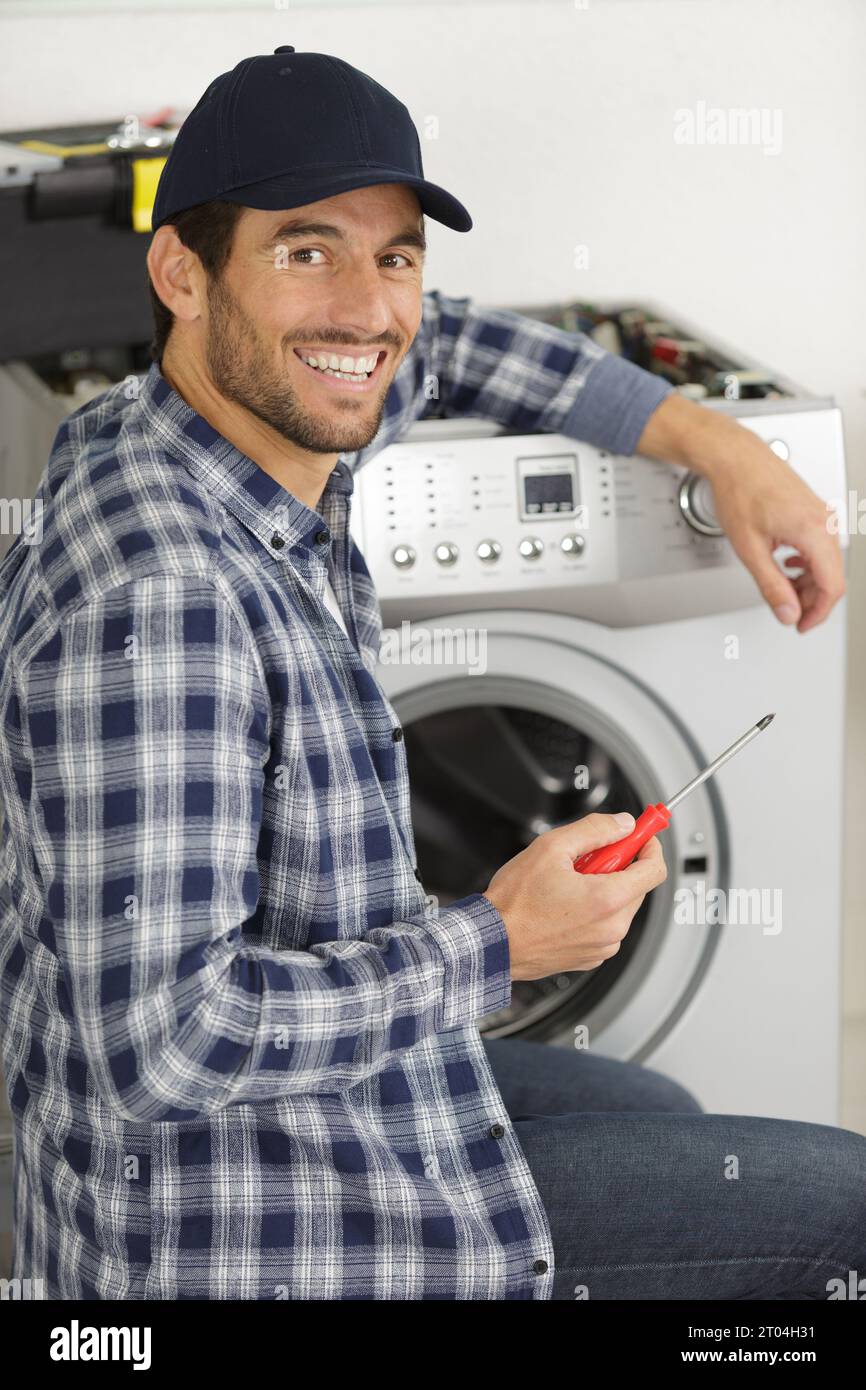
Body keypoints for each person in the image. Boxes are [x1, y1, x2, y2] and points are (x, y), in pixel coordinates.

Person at [0, 47, 859, 1302]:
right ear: (181, 273)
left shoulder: (200, 415)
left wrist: (708, 439)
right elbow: (161, 1047)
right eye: (305, 249)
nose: (366, 310)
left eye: (393, 253)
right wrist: (496, 941)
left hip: (305, 1112)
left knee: (657, 1101)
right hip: (244, 1230)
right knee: (844, 1212)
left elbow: (450, 343)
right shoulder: (168, 598)